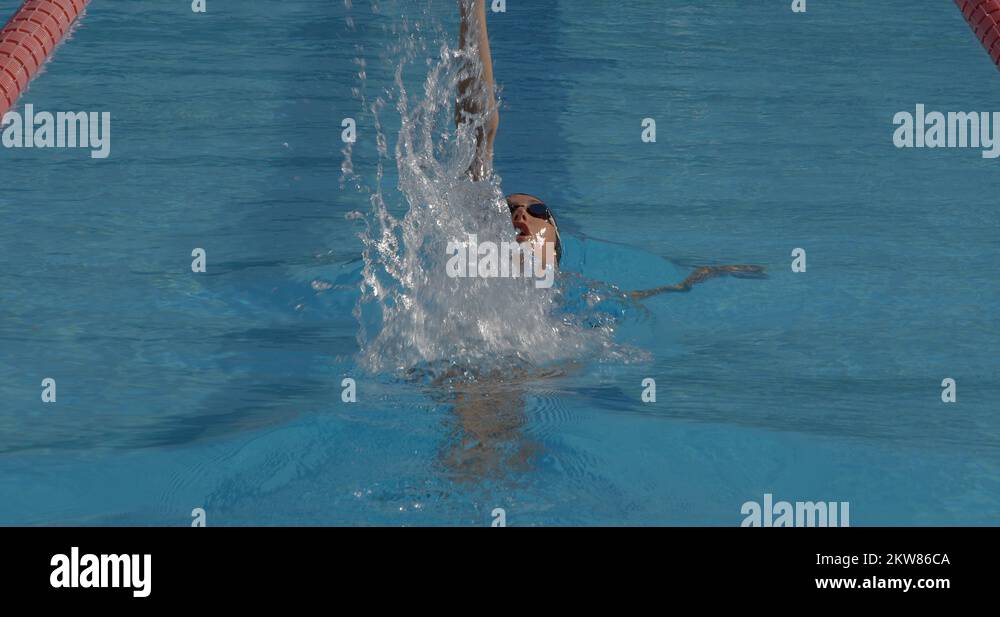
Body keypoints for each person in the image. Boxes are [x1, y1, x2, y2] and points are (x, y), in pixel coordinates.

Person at [455, 0, 764, 297]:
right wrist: (473, 7)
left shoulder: (579, 314)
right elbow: (479, 129)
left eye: (538, 211)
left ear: (556, 246)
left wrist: (702, 275)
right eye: (508, 209)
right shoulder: (474, 283)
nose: (521, 213)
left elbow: (664, 291)